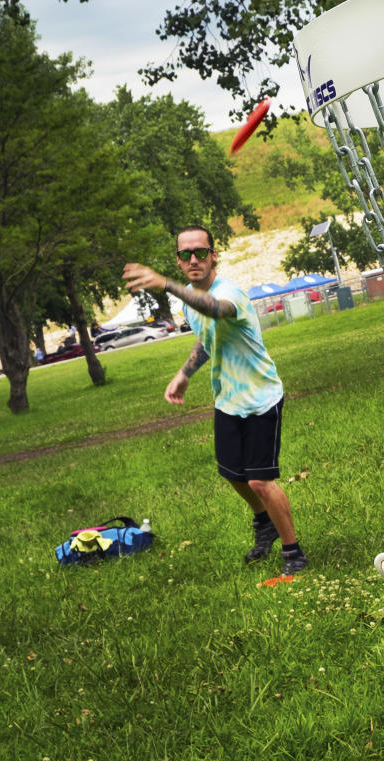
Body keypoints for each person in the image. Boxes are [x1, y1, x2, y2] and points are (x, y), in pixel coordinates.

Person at [122, 225, 308, 575]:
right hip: (227, 400)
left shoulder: (228, 292)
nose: (193, 259)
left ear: (214, 255)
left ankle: (293, 554)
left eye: (200, 252)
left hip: (260, 398)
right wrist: (184, 374)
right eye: (185, 254)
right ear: (178, 260)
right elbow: (208, 337)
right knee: (232, 473)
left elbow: (217, 311)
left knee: (259, 480)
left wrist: (164, 284)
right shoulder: (192, 301)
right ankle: (263, 523)